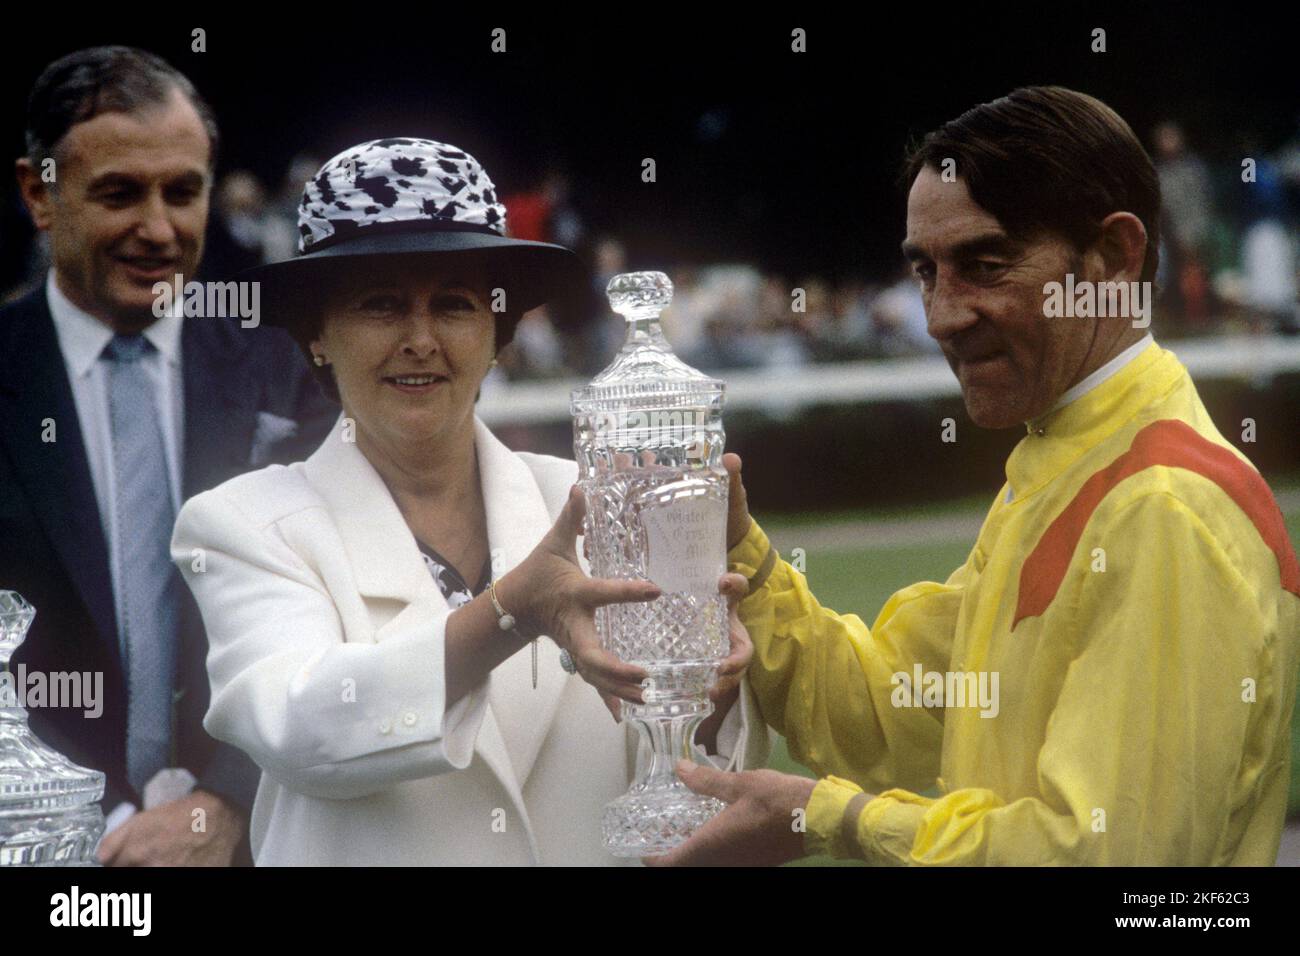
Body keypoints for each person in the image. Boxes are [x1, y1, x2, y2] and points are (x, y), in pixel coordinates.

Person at [651, 86, 1299, 867]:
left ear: (1115, 257)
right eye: (926, 271)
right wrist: (742, 557)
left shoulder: (1163, 505)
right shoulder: (1070, 461)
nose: (942, 316)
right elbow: (882, 715)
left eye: (985, 265)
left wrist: (827, 816)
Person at [170, 138, 768, 865]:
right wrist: (513, 610)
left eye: (454, 304)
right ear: (317, 335)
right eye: (380, 305)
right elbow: (304, 726)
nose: (420, 339)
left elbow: (688, 783)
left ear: (498, 336)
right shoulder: (241, 523)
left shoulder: (589, 499)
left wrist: (710, 689)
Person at [0, 46, 337, 866]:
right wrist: (78, 823)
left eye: (182, 192)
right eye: (119, 193)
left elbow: (347, 612)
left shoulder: (285, 370)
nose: (158, 228)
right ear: (39, 193)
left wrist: (225, 801)